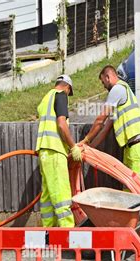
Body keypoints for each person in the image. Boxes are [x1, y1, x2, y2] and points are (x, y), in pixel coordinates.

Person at [80, 65, 140, 182]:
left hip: (137, 146)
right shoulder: (119, 103)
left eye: (103, 82)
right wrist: (89, 148)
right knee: (131, 189)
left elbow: (100, 119)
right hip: (132, 148)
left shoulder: (117, 89)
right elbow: (105, 129)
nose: (104, 86)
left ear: (108, 77)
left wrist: (85, 140)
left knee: (139, 190)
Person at [36, 75, 82, 227]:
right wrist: (73, 146)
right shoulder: (61, 95)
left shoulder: (45, 99)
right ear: (67, 87)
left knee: (48, 199)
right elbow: (62, 124)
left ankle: (47, 237)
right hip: (55, 152)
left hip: (44, 152)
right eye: (69, 92)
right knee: (62, 196)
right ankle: (68, 237)